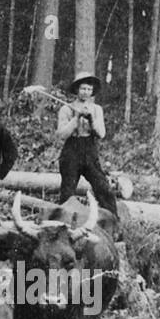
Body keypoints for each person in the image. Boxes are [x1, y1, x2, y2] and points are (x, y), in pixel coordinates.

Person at [55, 72, 119, 214]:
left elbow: (101, 134)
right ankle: (63, 226)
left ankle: (113, 223)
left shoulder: (97, 110)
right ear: (77, 89)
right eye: (83, 89)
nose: (86, 92)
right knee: (67, 192)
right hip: (71, 151)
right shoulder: (66, 109)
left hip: (89, 150)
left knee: (104, 188)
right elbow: (61, 135)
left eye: (89, 89)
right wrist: (76, 119)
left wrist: (91, 121)